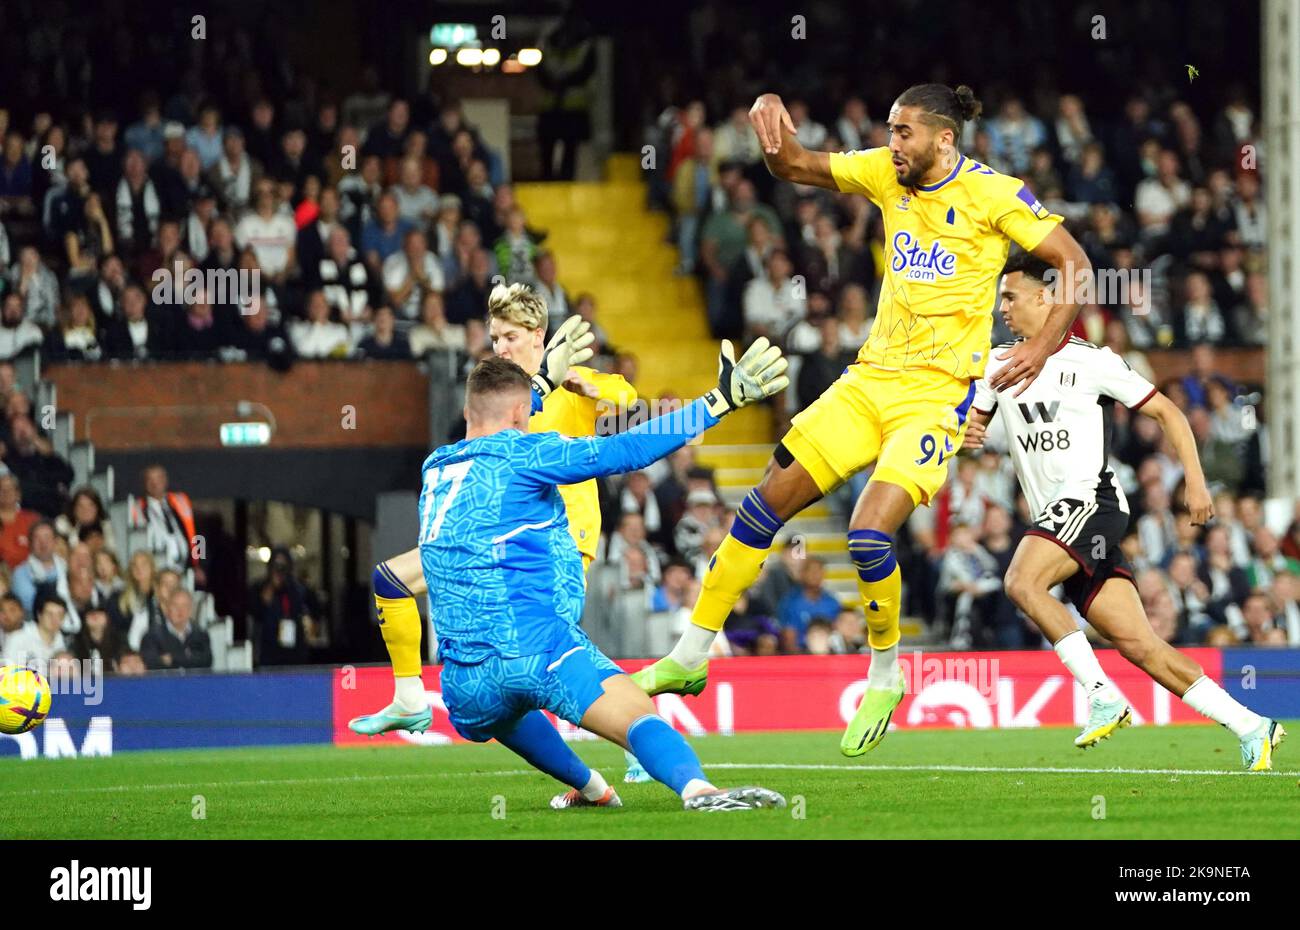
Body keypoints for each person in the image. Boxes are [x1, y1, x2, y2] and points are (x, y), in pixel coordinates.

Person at [633, 83, 1092, 759]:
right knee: (762, 506)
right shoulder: (885, 172)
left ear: (943, 138)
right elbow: (796, 166)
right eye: (889, 130)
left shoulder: (996, 194)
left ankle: (886, 672)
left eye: (903, 132)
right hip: (867, 381)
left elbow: (1075, 265)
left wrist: (1039, 344)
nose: (891, 142)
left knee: (866, 535)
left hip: (935, 397)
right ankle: (692, 653)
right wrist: (768, 118)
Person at [369, 347, 788, 811]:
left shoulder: (436, 469)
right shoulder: (526, 452)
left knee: (505, 711)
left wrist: (539, 385)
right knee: (635, 715)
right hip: (537, 649)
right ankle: (698, 790)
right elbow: (626, 450)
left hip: (464, 683)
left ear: (467, 411)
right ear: (520, 412)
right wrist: (719, 401)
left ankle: (593, 789)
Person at [962, 253, 1284, 770]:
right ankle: (1253, 725)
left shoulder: (1092, 359)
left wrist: (1196, 483)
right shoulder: (995, 363)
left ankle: (1102, 694)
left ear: (1045, 297)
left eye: (1010, 296)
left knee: (1021, 582)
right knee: (1141, 644)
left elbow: (1168, 412)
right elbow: (972, 429)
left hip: (1091, 503)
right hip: (1056, 521)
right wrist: (969, 434)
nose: (1001, 306)